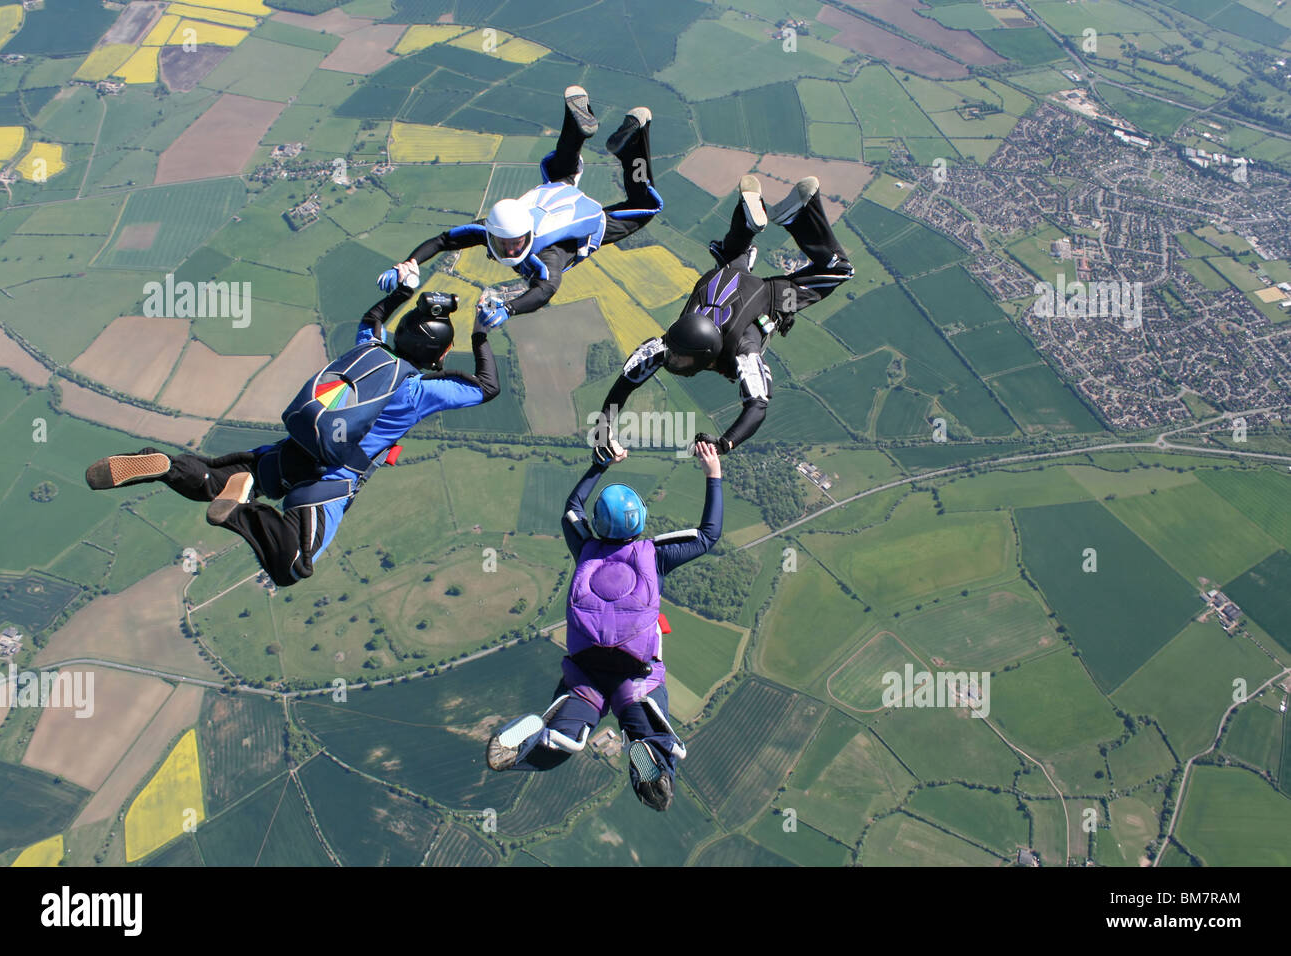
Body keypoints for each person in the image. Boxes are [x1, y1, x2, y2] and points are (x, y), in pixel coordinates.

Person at [84, 286, 500, 586]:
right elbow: (486, 387)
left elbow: (372, 319)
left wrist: (402, 291)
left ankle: (164, 465)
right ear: (439, 355)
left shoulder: (368, 347)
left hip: (290, 452)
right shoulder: (418, 391)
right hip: (329, 481)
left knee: (212, 478)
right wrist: (481, 332)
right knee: (293, 566)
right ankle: (239, 512)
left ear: (401, 333)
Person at [485, 442, 723, 812]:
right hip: (636, 676)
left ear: (599, 522)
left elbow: (571, 509)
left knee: (566, 737)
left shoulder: (585, 548)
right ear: (641, 520)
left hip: (584, 674)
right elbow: (708, 534)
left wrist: (600, 466)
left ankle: (548, 736)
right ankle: (653, 757)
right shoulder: (654, 554)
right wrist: (713, 474)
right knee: (651, 737)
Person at [592, 175, 853, 463]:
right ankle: (746, 221)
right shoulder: (674, 342)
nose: (674, 362)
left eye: (681, 360)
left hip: (771, 297)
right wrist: (603, 429)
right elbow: (628, 379)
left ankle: (801, 216)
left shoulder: (744, 349)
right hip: (726, 278)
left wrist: (724, 444)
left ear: (706, 353)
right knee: (732, 254)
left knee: (838, 269)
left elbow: (757, 406)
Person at [376, 86, 662, 331]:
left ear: (527, 235)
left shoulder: (547, 255)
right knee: (561, 172)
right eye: (505, 245)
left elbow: (544, 291)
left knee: (645, 206)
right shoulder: (489, 228)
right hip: (554, 197)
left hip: (588, 224)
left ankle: (631, 145)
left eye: (517, 245)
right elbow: (443, 241)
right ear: (492, 235)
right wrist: (407, 264)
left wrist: (509, 309)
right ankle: (577, 129)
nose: (512, 252)